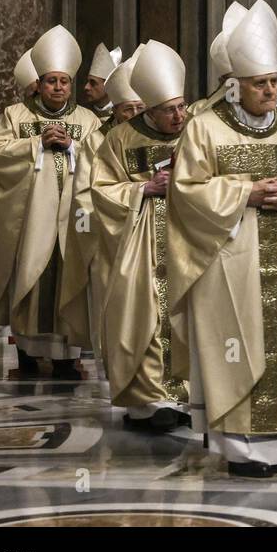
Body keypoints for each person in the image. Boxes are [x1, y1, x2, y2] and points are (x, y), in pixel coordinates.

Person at [167, 0, 277, 477]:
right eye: (259, 83)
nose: (270, 90)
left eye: (273, 81)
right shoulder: (203, 128)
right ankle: (241, 449)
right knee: (235, 344)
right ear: (233, 85)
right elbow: (186, 190)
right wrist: (245, 192)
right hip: (229, 259)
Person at [0, 25, 100, 379]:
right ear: (41, 82)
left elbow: (102, 161)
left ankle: (66, 358)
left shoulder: (86, 120)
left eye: (64, 81)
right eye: (51, 81)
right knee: (31, 278)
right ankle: (29, 357)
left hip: (75, 218)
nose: (59, 87)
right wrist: (35, 145)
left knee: (70, 277)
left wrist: (74, 148)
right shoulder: (16, 116)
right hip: (33, 217)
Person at [91, 41, 193, 432]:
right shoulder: (120, 139)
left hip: (187, 236)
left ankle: (185, 397)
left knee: (184, 315)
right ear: (149, 109)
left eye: (182, 106)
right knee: (144, 316)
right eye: (170, 110)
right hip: (139, 241)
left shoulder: (195, 132)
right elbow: (99, 189)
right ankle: (148, 401)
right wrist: (143, 189)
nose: (179, 116)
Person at [57, 46, 146, 376]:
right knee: (117, 313)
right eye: (127, 110)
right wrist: (127, 208)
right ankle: (120, 376)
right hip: (112, 241)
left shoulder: (166, 140)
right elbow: (84, 195)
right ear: (116, 110)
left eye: (140, 108)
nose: (133, 116)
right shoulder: (98, 141)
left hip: (159, 243)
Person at [81, 43, 122, 123]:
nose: (86, 87)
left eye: (93, 83)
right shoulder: (82, 114)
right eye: (88, 82)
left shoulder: (122, 113)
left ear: (108, 85)